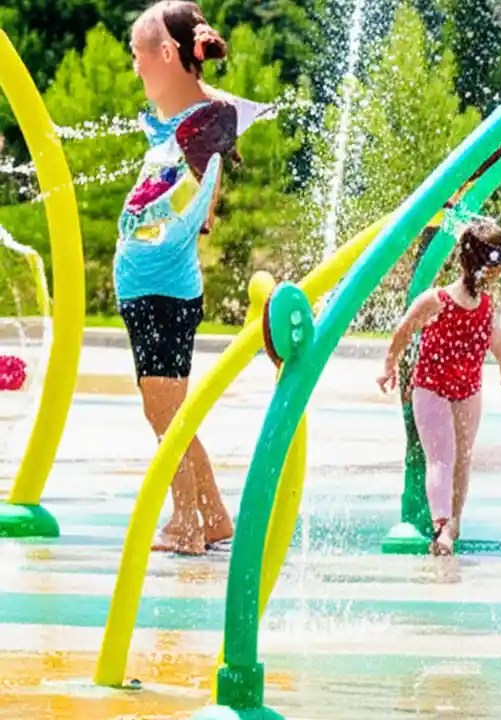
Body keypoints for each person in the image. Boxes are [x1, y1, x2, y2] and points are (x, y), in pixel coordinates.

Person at [118, 1, 240, 556]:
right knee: (169, 410)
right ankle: (211, 516)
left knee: (164, 412)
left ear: (166, 54)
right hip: (155, 288)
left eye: (139, 56)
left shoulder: (202, 124)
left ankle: (186, 523)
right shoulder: (181, 122)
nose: (136, 67)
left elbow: (200, 206)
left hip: (163, 291)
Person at [377, 221, 501, 556]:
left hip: (468, 390)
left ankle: (453, 523)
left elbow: (496, 342)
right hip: (431, 388)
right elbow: (404, 330)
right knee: (441, 458)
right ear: (491, 266)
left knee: (463, 460)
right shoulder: (437, 300)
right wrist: (388, 365)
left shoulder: (488, 306)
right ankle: (442, 527)